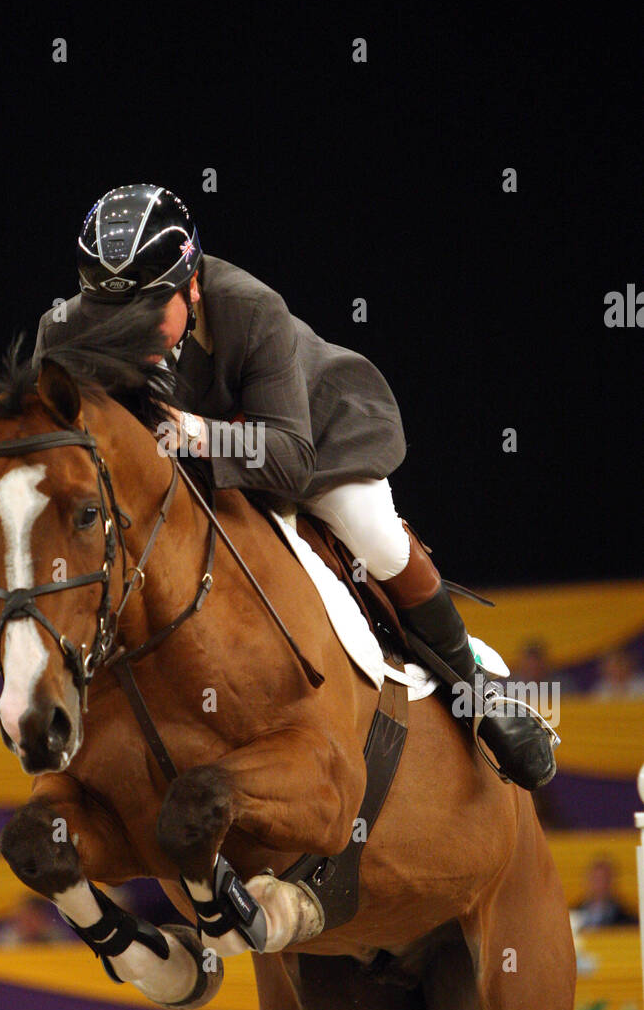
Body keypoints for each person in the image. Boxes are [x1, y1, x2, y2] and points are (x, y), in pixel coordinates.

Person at [33, 183, 556, 790]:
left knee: (374, 536)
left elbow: (287, 459)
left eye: (148, 314)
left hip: (313, 437)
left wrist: (191, 434)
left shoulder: (252, 308)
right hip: (185, 467)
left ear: (193, 285)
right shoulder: (63, 334)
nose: (127, 333)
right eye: (108, 317)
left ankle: (477, 688)